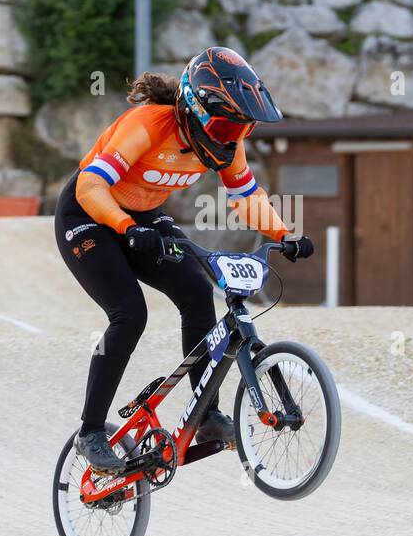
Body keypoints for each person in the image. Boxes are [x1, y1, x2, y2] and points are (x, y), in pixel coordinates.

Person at [57, 48, 314, 474]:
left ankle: (207, 415)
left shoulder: (227, 143)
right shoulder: (148, 124)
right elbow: (90, 187)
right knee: (129, 313)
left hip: (142, 216)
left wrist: (284, 233)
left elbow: (246, 196)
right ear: (195, 109)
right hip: (88, 215)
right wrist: (126, 228)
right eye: (226, 124)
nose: (232, 136)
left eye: (241, 127)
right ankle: (89, 432)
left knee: (197, 290)